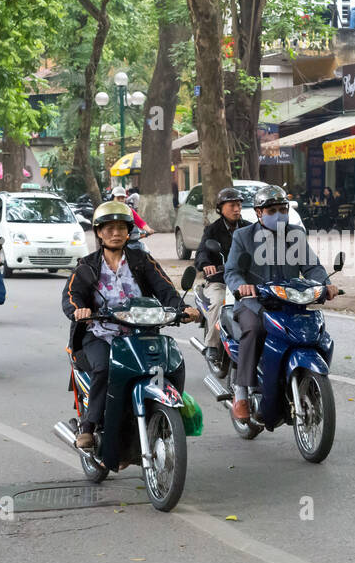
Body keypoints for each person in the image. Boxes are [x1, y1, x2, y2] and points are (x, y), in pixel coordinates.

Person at [61, 201, 199, 465]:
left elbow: (165, 289)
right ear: (99, 233)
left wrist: (183, 308)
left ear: (129, 232)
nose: (116, 233)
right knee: (104, 368)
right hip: (100, 333)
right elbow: (71, 295)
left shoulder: (141, 260)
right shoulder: (87, 266)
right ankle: (89, 427)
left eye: (121, 228)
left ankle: (161, 417)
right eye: (109, 228)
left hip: (140, 333)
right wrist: (80, 310)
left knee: (172, 364)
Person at [224, 185, 338, 421]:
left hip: (290, 302)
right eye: (271, 210)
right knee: (254, 330)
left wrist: (325, 284)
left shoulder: (295, 234)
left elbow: (312, 266)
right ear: (258, 212)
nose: (278, 214)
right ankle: (242, 392)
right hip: (254, 303)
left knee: (312, 331)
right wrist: (241, 287)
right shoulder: (243, 236)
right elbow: (232, 271)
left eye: (282, 209)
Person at [195, 187, 251, 368]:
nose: (237, 209)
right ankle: (212, 345)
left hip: (245, 281)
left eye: (239, 205)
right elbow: (202, 251)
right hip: (219, 281)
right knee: (219, 302)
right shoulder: (212, 230)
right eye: (232, 205)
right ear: (221, 208)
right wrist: (206, 264)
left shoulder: (249, 227)